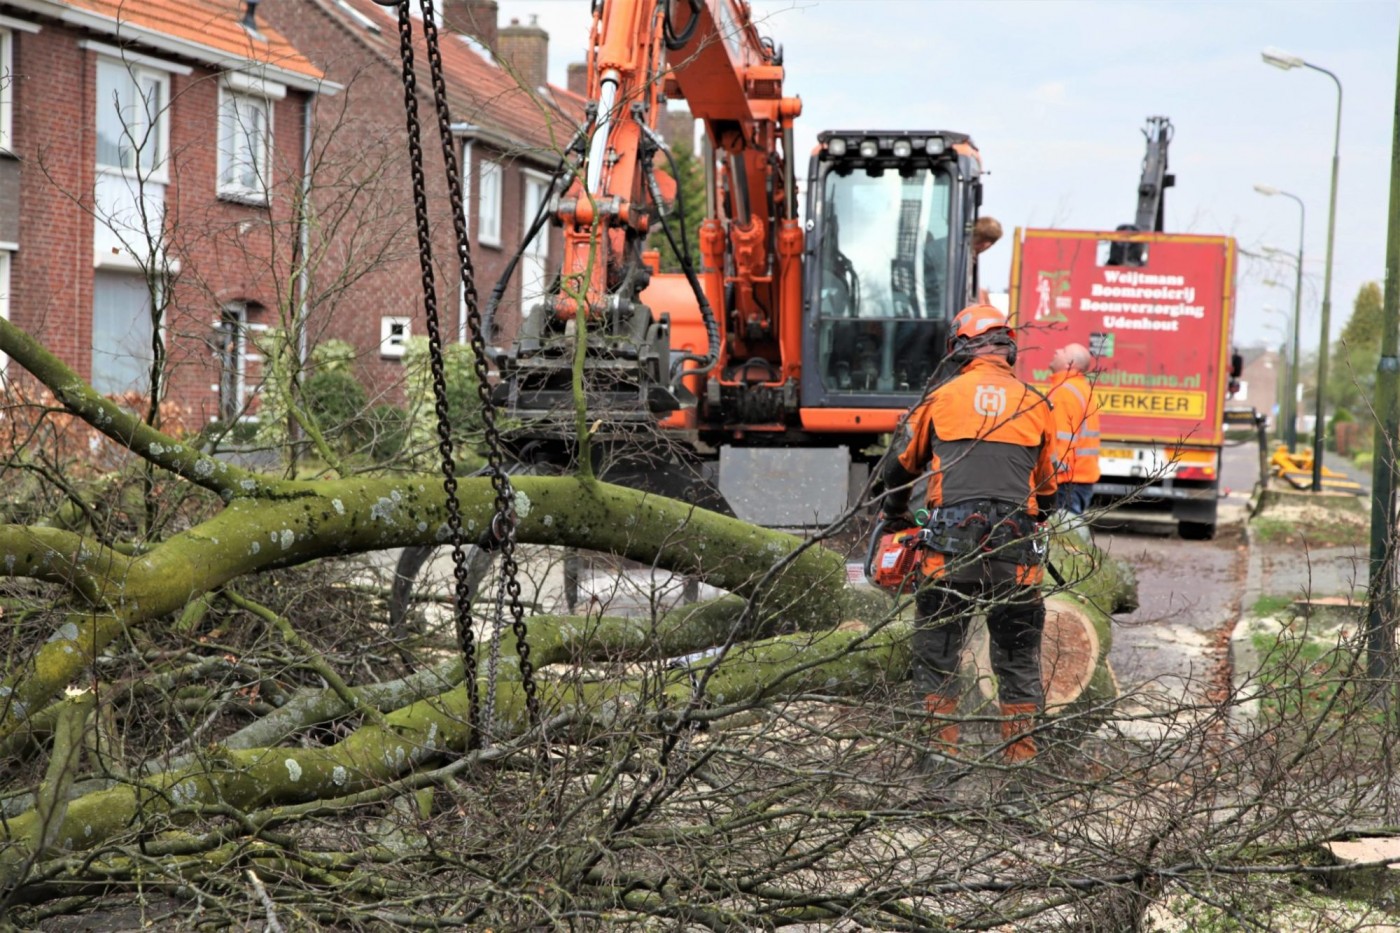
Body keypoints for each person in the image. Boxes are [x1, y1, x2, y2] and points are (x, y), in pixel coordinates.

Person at [879, 304, 1058, 775]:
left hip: (947, 558)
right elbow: (1050, 495)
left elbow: (898, 472)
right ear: (1007, 347)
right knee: (1018, 670)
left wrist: (893, 518)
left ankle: (939, 772)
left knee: (937, 663)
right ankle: (1020, 782)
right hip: (1016, 558)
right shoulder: (1038, 403)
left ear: (960, 347)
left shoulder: (940, 399)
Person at [1047, 342, 1101, 534]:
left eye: (1061, 350)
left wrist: (1049, 479)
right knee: (1069, 534)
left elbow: (1062, 442)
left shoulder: (1064, 393)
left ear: (1070, 363)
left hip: (1065, 483)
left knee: (1064, 537)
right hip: (1079, 479)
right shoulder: (1080, 388)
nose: (1056, 350)